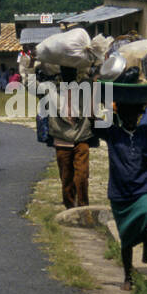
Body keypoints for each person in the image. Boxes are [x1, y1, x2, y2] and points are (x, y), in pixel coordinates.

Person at [104, 98, 147, 289]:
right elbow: (93, 120)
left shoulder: (145, 132)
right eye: (125, 115)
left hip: (143, 188)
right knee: (126, 238)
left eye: (133, 115)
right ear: (120, 116)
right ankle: (128, 277)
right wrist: (98, 94)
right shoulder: (112, 133)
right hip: (120, 193)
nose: (129, 119)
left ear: (138, 116)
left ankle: (146, 252)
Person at [51, 66, 96, 209]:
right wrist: (30, 64)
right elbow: (30, 84)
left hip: (81, 139)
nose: (69, 75)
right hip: (62, 141)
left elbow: (100, 81)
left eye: (71, 71)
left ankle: (83, 208)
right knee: (66, 180)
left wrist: (94, 69)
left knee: (82, 177)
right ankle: (70, 209)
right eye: (66, 72)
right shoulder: (52, 91)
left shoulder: (85, 88)